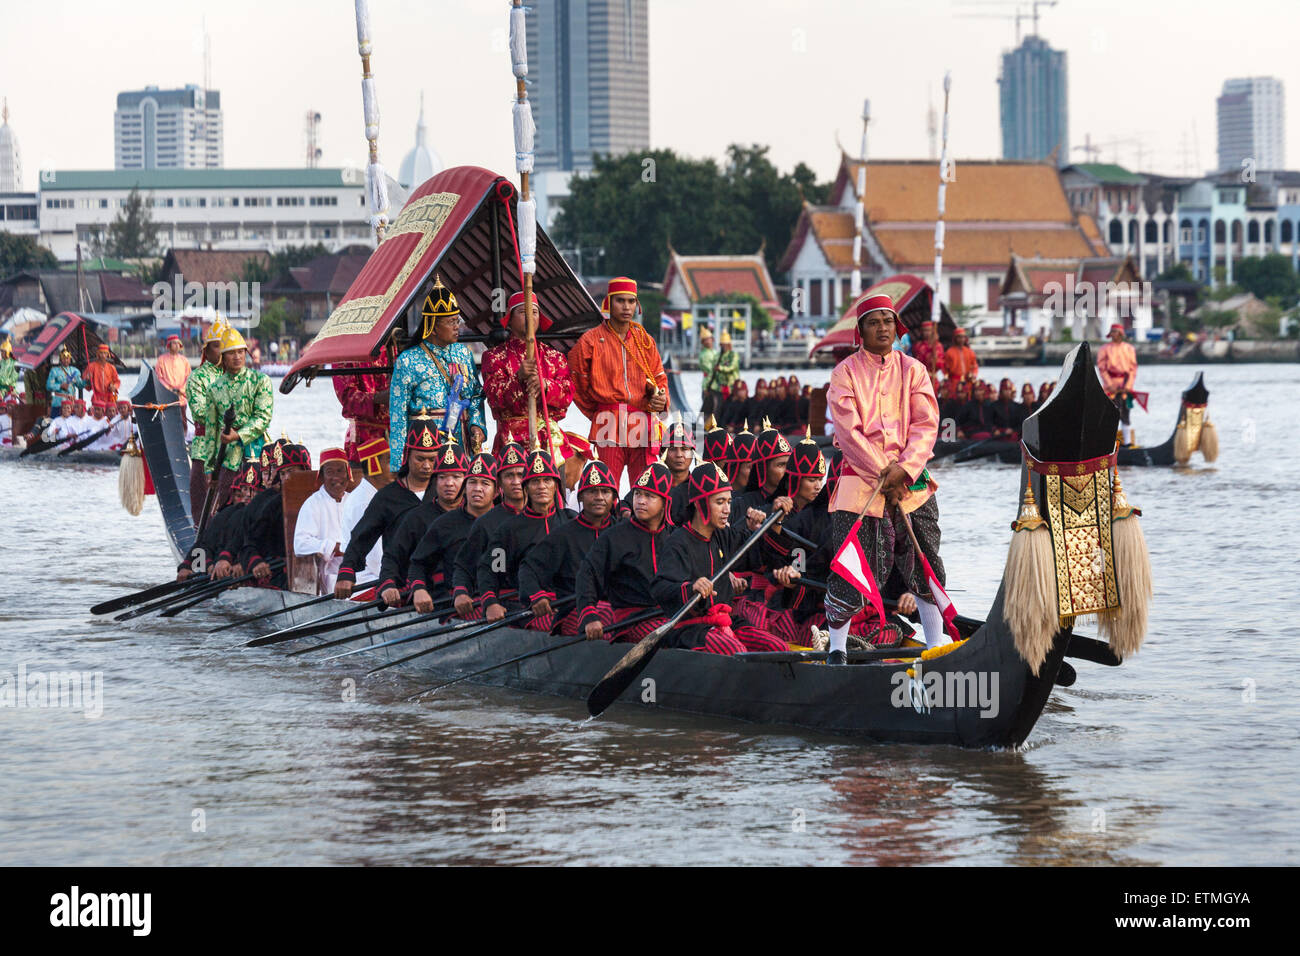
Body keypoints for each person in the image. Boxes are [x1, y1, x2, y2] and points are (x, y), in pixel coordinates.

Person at [825, 293, 949, 664]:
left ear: (897, 328)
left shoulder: (914, 369)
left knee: (927, 559)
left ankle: (937, 649)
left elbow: (927, 426)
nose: (882, 328)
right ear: (860, 329)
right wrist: (885, 473)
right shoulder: (844, 372)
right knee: (852, 564)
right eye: (874, 322)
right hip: (861, 480)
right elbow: (848, 432)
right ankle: (836, 651)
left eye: (888, 321)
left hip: (910, 481)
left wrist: (905, 471)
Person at [650, 462, 796, 655]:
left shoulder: (724, 536)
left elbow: (761, 553)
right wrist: (691, 587)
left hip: (726, 621)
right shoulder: (677, 542)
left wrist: (775, 520)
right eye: (720, 502)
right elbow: (660, 588)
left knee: (777, 648)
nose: (727, 509)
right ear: (699, 502)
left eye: (728, 501)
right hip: (690, 629)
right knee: (737, 652)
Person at [570, 277, 669, 487]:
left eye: (631, 301)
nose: (626, 307)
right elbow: (575, 382)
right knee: (606, 488)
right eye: (620, 301)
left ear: (637, 304)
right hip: (608, 421)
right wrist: (597, 411)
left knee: (644, 489)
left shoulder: (645, 340)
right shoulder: (591, 341)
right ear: (609, 302)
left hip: (643, 422)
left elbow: (659, 378)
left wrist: (661, 400)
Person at [335, 418, 442, 599]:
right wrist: (347, 571)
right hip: (400, 584)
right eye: (420, 459)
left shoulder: (446, 493)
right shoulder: (387, 497)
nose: (427, 466)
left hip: (442, 582)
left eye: (432, 459)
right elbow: (362, 536)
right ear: (407, 456)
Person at [388, 274, 487, 463]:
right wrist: (398, 462)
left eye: (457, 321)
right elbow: (398, 414)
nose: (457, 327)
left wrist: (477, 425)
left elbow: (475, 395)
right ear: (433, 326)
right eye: (451, 322)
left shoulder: (463, 354)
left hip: (461, 441)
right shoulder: (408, 360)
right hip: (426, 445)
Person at [574, 462, 674, 644]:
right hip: (632, 620)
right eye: (637, 494)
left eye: (649, 496)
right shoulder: (615, 536)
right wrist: (589, 614)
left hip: (668, 615)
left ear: (664, 502)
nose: (640, 501)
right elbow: (587, 574)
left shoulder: (673, 537)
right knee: (672, 638)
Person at [519, 457, 619, 634]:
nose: (599, 497)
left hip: (618, 606)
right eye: (592, 492)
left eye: (605, 492)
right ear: (580, 496)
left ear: (614, 498)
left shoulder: (623, 533)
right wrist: (536, 596)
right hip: (573, 609)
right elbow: (528, 569)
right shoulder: (564, 535)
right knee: (612, 620)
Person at [478, 446, 573, 622]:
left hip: (570, 601)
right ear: (526, 487)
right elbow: (491, 570)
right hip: (530, 608)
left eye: (547, 480)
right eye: (535, 481)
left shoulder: (571, 521)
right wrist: (491, 602)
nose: (542, 486)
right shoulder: (509, 530)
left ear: (556, 485)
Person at [481, 290, 575, 458]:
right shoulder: (494, 357)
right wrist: (518, 378)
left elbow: (567, 394)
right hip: (510, 442)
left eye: (534, 312)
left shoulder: (555, 357)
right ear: (509, 319)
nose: (530, 317)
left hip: (548, 441)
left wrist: (546, 386)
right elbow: (494, 399)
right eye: (523, 312)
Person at [377, 441, 468, 607]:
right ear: (434, 481)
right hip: (431, 595)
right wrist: (388, 585)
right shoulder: (417, 517)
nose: (449, 483)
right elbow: (393, 557)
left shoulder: (479, 515)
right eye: (442, 477)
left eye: (456, 477)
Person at [448, 436, 528, 618]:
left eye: (521, 475)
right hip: (503, 602)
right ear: (499, 483)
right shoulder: (486, 523)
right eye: (509, 476)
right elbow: (463, 566)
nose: (516, 481)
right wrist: (461, 592)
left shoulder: (546, 518)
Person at [408, 451, 498, 613]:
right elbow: (418, 564)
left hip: (497, 600)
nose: (477, 489)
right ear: (464, 488)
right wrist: (419, 589)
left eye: (485, 483)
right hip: (455, 603)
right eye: (472, 482)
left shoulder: (504, 525)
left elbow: (502, 569)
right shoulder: (445, 524)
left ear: (497, 492)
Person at [204, 326, 275, 521]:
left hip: (260, 452)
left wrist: (238, 435)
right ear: (223, 358)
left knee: (263, 506)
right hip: (227, 458)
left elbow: (263, 416)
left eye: (240, 352)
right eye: (231, 353)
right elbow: (211, 432)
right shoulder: (213, 389)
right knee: (225, 508)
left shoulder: (261, 380)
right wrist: (210, 468)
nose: (237, 357)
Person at [237, 443, 313, 589]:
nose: (286, 478)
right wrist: (257, 563)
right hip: (281, 575)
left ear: (306, 470)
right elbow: (249, 546)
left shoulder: (322, 499)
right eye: (282, 474)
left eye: (291, 471)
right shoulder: (273, 506)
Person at [293, 448, 354, 594]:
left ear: (348, 474)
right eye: (330, 472)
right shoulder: (313, 503)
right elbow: (300, 543)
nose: (336, 477)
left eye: (340, 471)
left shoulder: (355, 500)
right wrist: (333, 547)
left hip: (362, 568)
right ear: (321, 477)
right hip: (332, 574)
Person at [186, 318, 230, 515]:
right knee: (205, 509)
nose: (221, 351)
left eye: (226, 346)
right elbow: (200, 412)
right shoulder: (198, 377)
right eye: (216, 346)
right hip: (207, 446)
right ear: (206, 349)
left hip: (236, 445)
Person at [333, 349, 390, 469]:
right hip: (363, 439)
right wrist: (379, 397)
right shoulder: (345, 352)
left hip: (397, 436)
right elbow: (347, 397)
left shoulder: (393, 343)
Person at [1097, 323, 1138, 446]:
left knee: (1125, 413)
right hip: (1110, 387)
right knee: (1110, 414)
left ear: (1120, 334)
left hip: (1126, 386)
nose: (1113, 334)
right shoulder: (1104, 349)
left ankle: (1128, 443)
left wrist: (1128, 385)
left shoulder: (1129, 348)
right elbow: (1102, 368)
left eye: (1115, 332)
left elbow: (1133, 368)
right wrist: (1110, 384)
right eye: (1112, 332)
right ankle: (1108, 443)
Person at [83, 343, 121, 414]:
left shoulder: (111, 367)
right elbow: (85, 384)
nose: (103, 355)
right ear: (98, 354)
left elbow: (117, 381)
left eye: (105, 353)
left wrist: (114, 387)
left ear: (107, 354)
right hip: (97, 397)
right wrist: (88, 380)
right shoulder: (91, 366)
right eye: (101, 353)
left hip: (109, 398)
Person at [45, 347, 83, 413]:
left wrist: (87, 381)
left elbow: (80, 385)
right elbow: (48, 386)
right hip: (59, 402)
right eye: (64, 358)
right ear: (60, 359)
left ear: (70, 359)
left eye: (67, 358)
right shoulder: (54, 371)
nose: (66, 360)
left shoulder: (75, 371)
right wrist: (60, 386)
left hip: (71, 402)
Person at [155, 335, 192, 403]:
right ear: (169, 345)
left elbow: (188, 378)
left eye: (178, 343)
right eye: (174, 343)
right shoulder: (161, 360)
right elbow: (159, 378)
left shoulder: (184, 361)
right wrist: (169, 389)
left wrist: (181, 390)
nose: (177, 345)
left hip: (181, 397)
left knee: (182, 413)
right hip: (166, 397)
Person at [698, 326, 719, 417]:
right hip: (709, 384)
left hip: (717, 385)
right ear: (703, 342)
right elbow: (711, 370)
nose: (708, 341)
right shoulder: (704, 355)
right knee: (710, 409)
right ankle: (706, 428)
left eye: (709, 339)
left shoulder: (715, 352)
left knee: (717, 408)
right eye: (705, 340)